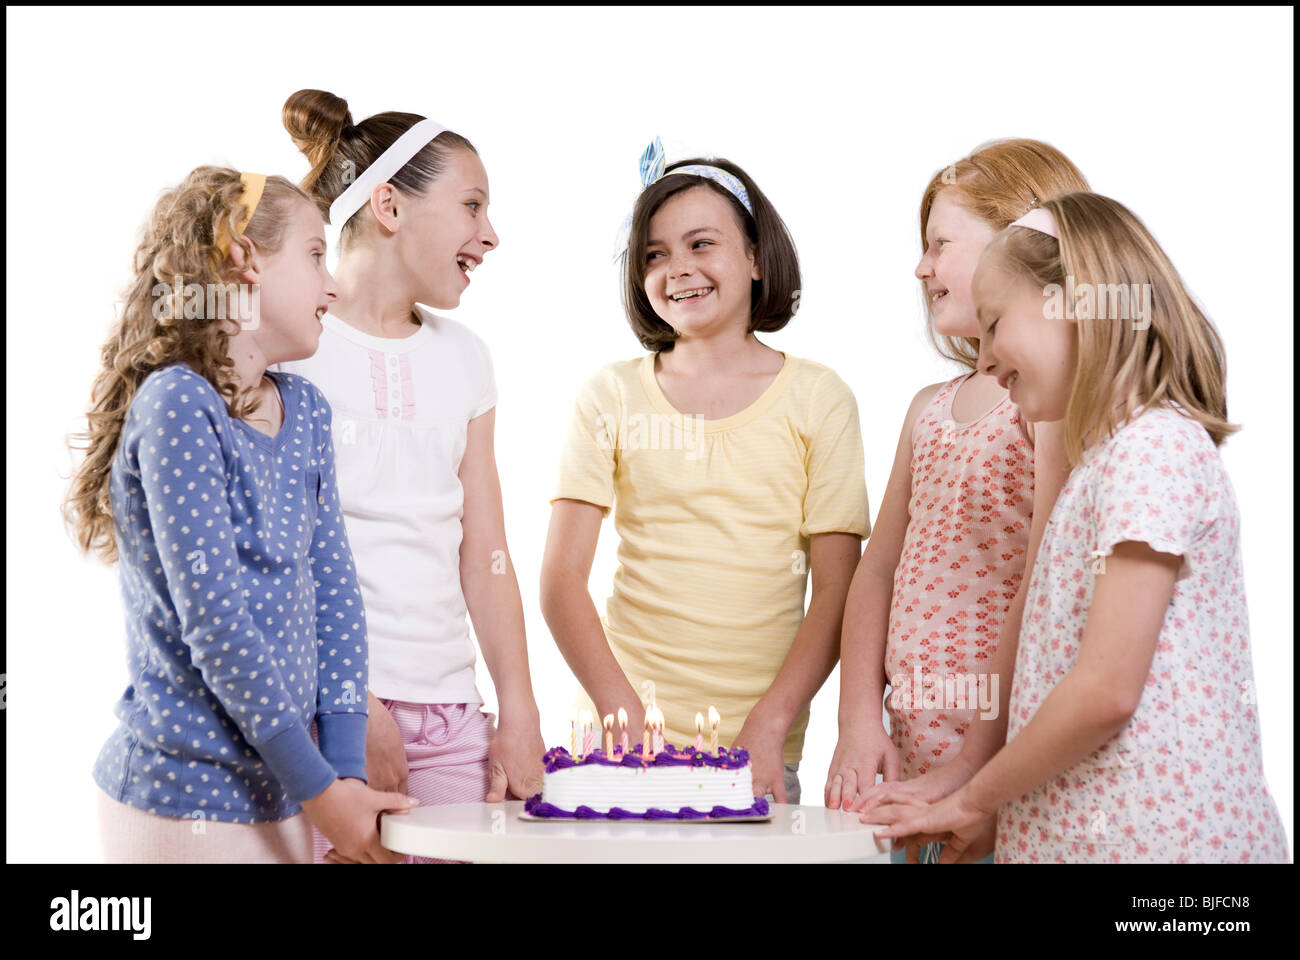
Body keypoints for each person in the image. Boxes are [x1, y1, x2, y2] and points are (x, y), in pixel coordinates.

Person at [868, 193, 1290, 863]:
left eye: (996, 321)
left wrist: (976, 798)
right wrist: (969, 781)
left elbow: (1105, 690)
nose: (986, 358)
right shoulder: (1096, 470)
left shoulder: (1154, 450)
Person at [67, 166, 415, 863]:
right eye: (316, 255)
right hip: (181, 795)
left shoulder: (307, 410)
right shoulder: (178, 407)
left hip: (284, 793)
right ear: (245, 259)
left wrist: (343, 777)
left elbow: (336, 599)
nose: (334, 283)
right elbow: (217, 624)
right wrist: (325, 793)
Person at [541, 139, 868, 804]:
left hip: (758, 753)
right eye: (654, 254)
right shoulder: (611, 394)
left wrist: (770, 723)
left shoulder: (819, 397)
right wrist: (620, 715)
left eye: (700, 244)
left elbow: (838, 593)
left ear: (753, 256)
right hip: (617, 752)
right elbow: (561, 578)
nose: (677, 268)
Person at [278, 89, 545, 863]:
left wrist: (518, 707)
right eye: (471, 206)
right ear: (389, 205)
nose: (489, 234)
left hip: (451, 715)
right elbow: (275, 558)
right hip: (324, 715)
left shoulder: (466, 359)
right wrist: (350, 703)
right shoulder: (299, 343)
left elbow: (485, 548)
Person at [827, 139, 1088, 864]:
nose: (921, 266)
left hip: (999, 766)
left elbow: (1043, 585)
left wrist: (978, 763)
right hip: (909, 757)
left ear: (1019, 243)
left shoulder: (1046, 410)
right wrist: (856, 720)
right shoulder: (927, 409)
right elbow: (875, 570)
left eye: (940, 243)